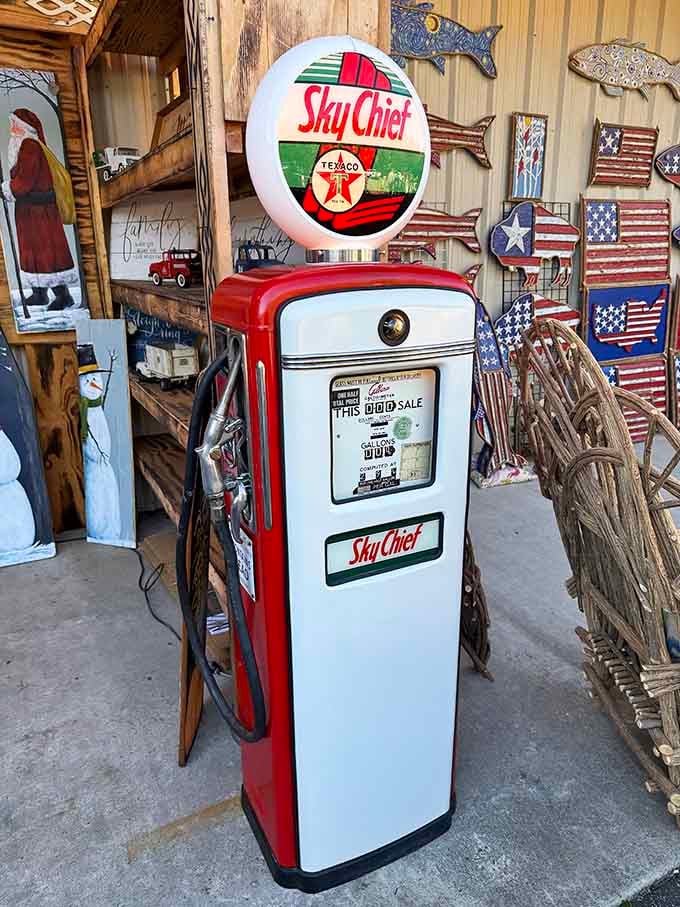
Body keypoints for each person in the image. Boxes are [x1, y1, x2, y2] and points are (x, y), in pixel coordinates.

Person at [1, 107, 77, 311]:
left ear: (24, 126)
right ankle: (39, 293)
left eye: (15, 123)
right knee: (34, 252)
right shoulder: (25, 145)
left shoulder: (29, 146)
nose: (12, 127)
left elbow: (25, 181)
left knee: (47, 252)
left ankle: (63, 296)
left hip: (39, 212)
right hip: (30, 211)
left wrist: (8, 188)